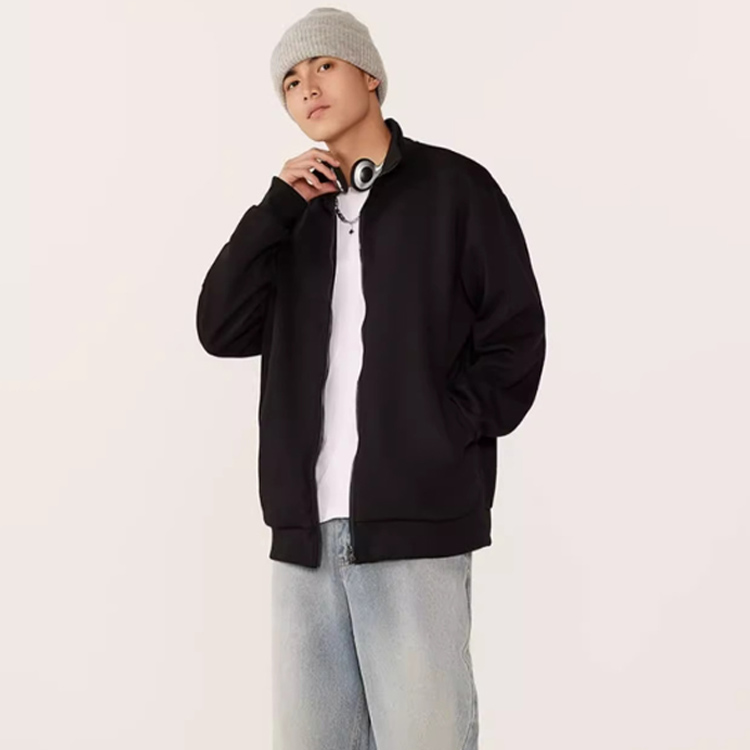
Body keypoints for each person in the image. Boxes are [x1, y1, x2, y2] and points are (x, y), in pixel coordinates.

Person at [196, 7, 546, 749]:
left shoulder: (455, 189)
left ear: (370, 76)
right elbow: (219, 329)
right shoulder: (294, 218)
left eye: (323, 65)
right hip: (305, 537)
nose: (307, 87)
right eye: (290, 81)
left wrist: (438, 433)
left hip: (416, 521)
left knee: (426, 736)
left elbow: (515, 337)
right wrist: (275, 207)